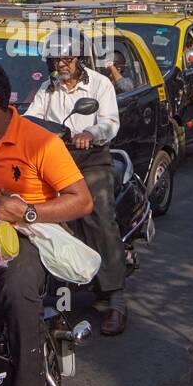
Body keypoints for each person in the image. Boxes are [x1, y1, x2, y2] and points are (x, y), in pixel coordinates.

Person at [0, 59, 93, 386]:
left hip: (25, 237)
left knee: (18, 291)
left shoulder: (39, 142)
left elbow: (82, 200)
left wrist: (28, 212)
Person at [25, 32, 128, 336]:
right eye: (57, 59)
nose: (62, 64)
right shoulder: (47, 89)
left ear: (80, 59)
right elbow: (32, 118)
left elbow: (110, 122)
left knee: (98, 217)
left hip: (92, 158)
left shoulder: (99, 84)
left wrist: (91, 133)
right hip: (58, 160)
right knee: (43, 215)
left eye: (67, 58)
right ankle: (56, 293)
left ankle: (116, 298)